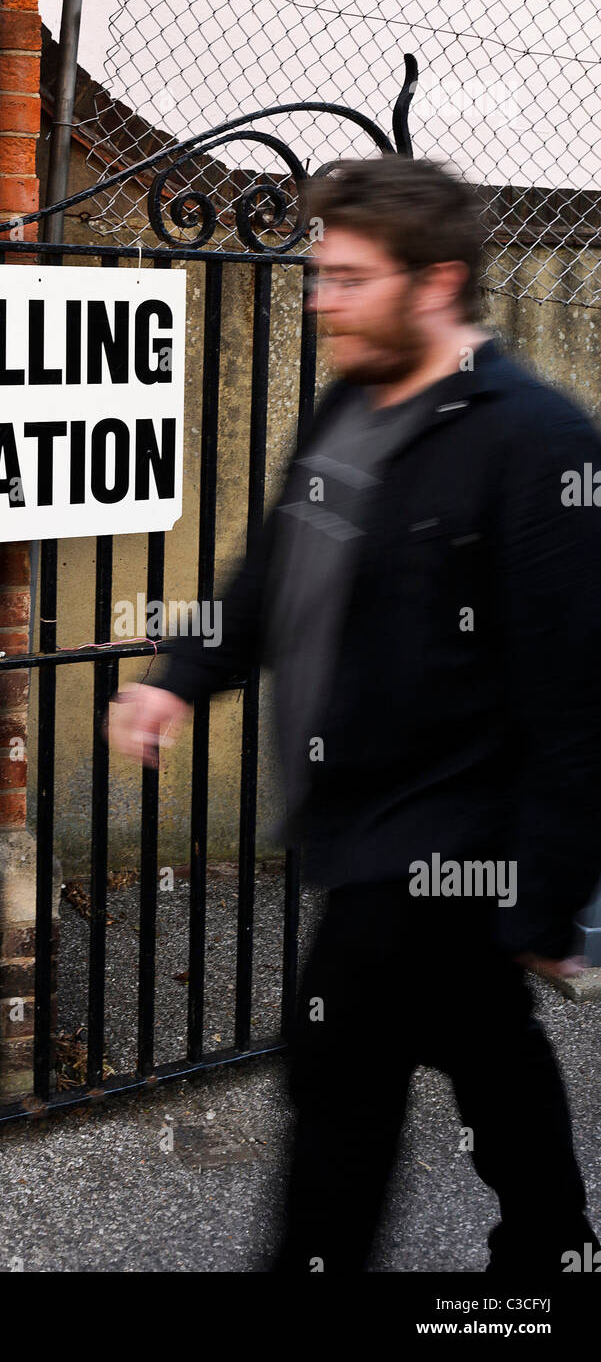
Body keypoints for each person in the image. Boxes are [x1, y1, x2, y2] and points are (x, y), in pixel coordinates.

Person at [105, 155, 601, 1273]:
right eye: (319, 274)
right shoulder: (349, 404)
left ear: (434, 284)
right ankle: (553, 1242)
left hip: (438, 844)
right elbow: (274, 571)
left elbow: (578, 697)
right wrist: (179, 674)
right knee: (484, 1043)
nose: (319, 299)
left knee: (339, 1091)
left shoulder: (535, 442)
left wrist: (542, 895)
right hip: (357, 821)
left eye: (345, 278)